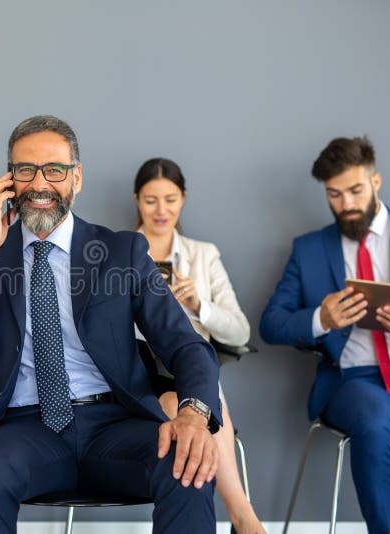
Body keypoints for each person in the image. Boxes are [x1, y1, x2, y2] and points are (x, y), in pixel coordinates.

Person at [0, 115, 222, 534]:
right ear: (8, 180)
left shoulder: (122, 252)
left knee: (187, 463)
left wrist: (193, 415)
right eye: (25, 170)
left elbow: (186, 345)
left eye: (55, 169)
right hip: (24, 430)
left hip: (117, 428)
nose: (40, 184)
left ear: (77, 177)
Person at [260, 136, 390, 534]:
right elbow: (270, 324)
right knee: (372, 419)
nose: (346, 204)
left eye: (354, 190)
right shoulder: (309, 249)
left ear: (376, 182)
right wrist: (322, 317)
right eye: (334, 195)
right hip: (355, 382)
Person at [133, 157, 264, 534]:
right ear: (137, 200)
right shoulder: (119, 253)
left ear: (183, 199)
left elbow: (239, 332)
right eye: (151, 200)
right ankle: (245, 519)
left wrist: (197, 305)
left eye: (170, 200)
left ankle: (241, 518)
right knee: (192, 401)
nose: (161, 211)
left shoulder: (203, 255)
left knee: (192, 394)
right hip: (137, 368)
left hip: (190, 370)